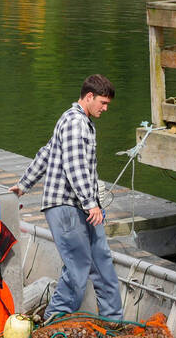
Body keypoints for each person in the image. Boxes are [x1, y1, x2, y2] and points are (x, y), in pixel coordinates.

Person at [10, 75, 123, 321]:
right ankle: (54, 319)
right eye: (103, 103)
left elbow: (46, 153)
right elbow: (75, 166)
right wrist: (91, 203)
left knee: (102, 260)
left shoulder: (78, 122)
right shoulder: (75, 123)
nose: (105, 108)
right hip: (66, 206)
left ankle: (113, 321)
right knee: (78, 266)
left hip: (83, 207)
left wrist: (23, 185)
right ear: (89, 96)